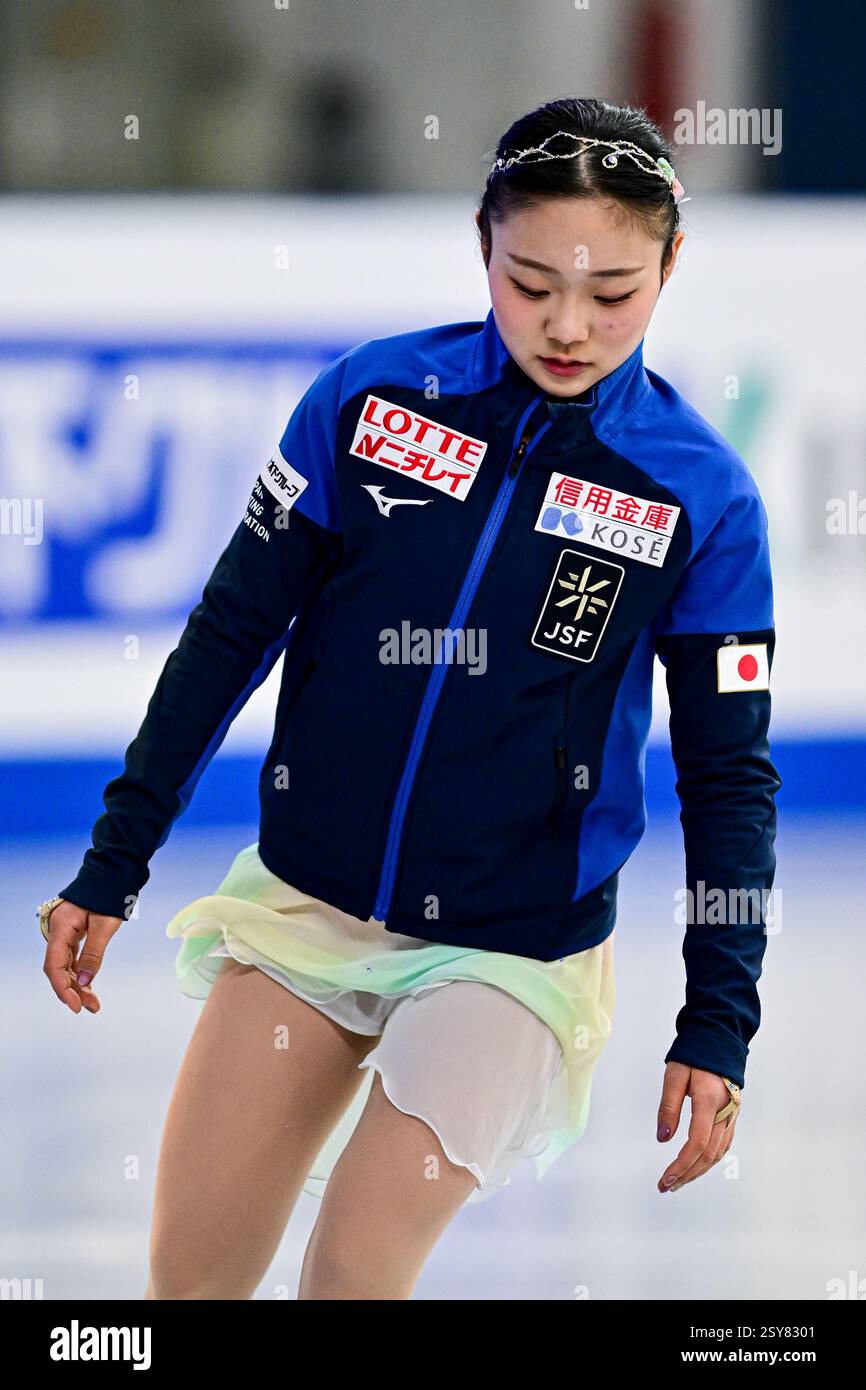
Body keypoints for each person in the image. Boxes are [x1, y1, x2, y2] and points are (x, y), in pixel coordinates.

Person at [38, 96, 781, 1300]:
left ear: (671, 264)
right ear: (480, 242)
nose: (567, 325)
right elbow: (231, 633)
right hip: (306, 905)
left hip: (510, 951)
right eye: (529, 282)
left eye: (612, 293)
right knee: (185, 1295)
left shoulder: (700, 496)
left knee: (351, 1279)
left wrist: (718, 1023)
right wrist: (111, 860)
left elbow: (729, 776)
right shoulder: (370, 401)